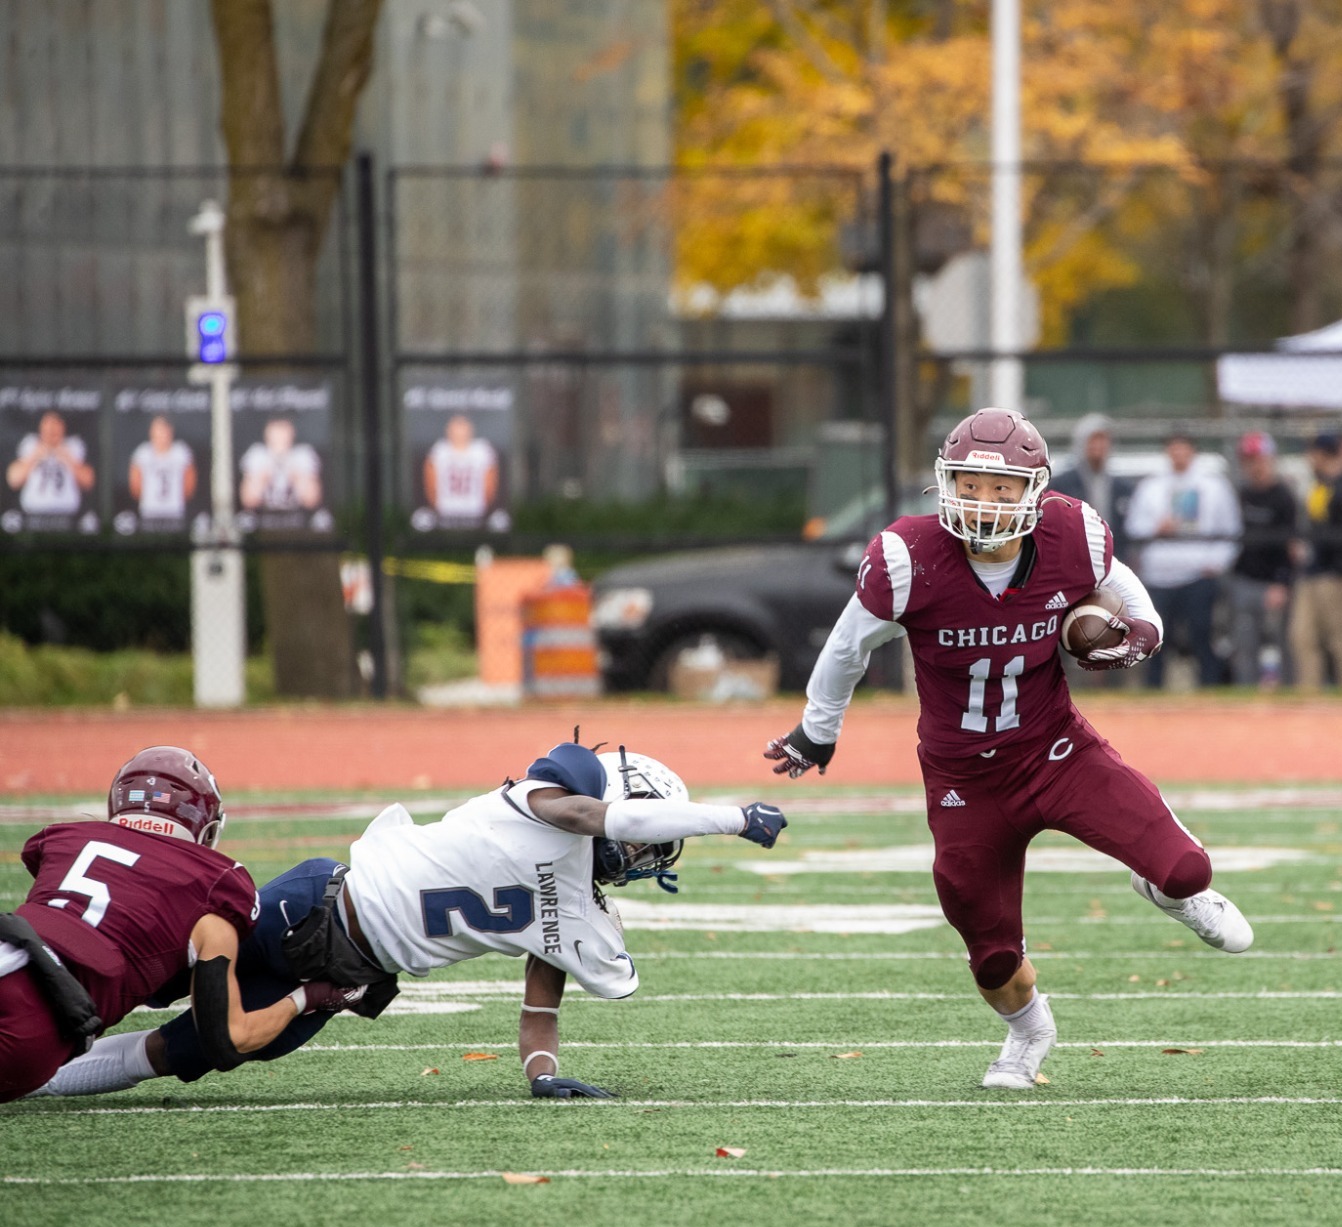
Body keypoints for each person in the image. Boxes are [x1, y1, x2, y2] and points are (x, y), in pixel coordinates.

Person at [762, 407, 1253, 1091]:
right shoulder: (908, 558)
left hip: (1056, 752)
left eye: (1001, 489)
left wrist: (1144, 629)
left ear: (1035, 491)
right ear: (945, 484)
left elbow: (1120, 581)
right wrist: (818, 730)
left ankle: (1160, 885)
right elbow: (847, 646)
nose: (982, 503)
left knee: (1186, 870)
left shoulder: (1069, 534)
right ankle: (1029, 1031)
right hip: (964, 781)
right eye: (968, 484)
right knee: (991, 958)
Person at [34, 742, 789, 1101]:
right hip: (314, 907)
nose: (634, 859)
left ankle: (32, 1078)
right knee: (146, 970)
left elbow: (538, 1013)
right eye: (642, 843)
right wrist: (732, 816)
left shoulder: (578, 910)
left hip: (345, 979)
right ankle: (32, 1013)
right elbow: (600, 812)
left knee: (195, 1050)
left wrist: (544, 1075)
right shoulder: (554, 805)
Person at [2, 747, 320, 1102]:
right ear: (207, 827)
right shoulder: (218, 886)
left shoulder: (63, 838)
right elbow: (225, 1042)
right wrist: (310, 997)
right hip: (33, 1025)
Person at [1125, 434, 1241, 687]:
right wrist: (1156, 528)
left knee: (1202, 636)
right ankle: (1153, 693)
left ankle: (1209, 690)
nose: (1179, 455)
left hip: (1198, 575)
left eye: (1184, 449)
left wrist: (1217, 563)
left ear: (1193, 452)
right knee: (1154, 641)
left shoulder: (1213, 486)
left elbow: (1231, 529)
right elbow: (1133, 527)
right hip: (1158, 578)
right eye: (1173, 449)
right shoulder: (1151, 487)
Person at [1289, 432, 1342, 690]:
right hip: (1312, 571)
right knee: (1302, 636)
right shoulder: (1320, 484)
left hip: (1337, 574)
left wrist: (1318, 544)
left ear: (1322, 455)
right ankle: (1309, 691)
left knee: (1340, 638)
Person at [1226, 432, 1297, 687]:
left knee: (1283, 646)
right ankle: (1246, 699)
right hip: (1245, 579)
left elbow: (1292, 546)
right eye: (1249, 460)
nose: (1255, 465)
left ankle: (1286, 698)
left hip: (1273, 583)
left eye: (1259, 459)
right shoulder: (1240, 494)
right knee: (1245, 647)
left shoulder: (1284, 497)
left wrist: (1281, 582)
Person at [1048, 412, 1134, 549]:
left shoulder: (1122, 487)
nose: (1099, 446)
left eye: (1103, 439)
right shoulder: (1062, 485)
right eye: (1093, 439)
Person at [8, 409, 93, 516]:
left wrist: (67, 458)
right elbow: (13, 481)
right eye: (47, 426)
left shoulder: (73, 446)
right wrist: (33, 457)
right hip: (33, 515)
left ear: (63, 428)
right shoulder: (30, 445)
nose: (51, 430)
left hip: (67, 516)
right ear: (40, 428)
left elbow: (88, 482)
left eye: (55, 426)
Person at [425, 412, 499, 522]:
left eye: (463, 427)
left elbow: (490, 487)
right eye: (456, 428)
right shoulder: (439, 450)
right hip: (446, 509)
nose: (459, 433)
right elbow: (431, 485)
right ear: (448, 430)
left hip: (475, 510)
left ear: (470, 430)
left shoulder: (482, 450)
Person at [239, 417, 321, 512]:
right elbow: (248, 500)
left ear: (292, 434)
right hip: (262, 518)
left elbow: (312, 500)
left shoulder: (303, 454)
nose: (280, 438)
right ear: (267, 435)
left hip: (300, 518)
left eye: (283, 433)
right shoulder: (257, 454)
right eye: (276, 434)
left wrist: (295, 473)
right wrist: (265, 473)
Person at [129, 415, 197, 522]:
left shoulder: (181, 452)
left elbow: (189, 486)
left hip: (174, 512)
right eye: (157, 430)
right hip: (150, 512)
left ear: (170, 431)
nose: (160, 434)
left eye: (163, 430)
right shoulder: (143, 453)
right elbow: (135, 487)